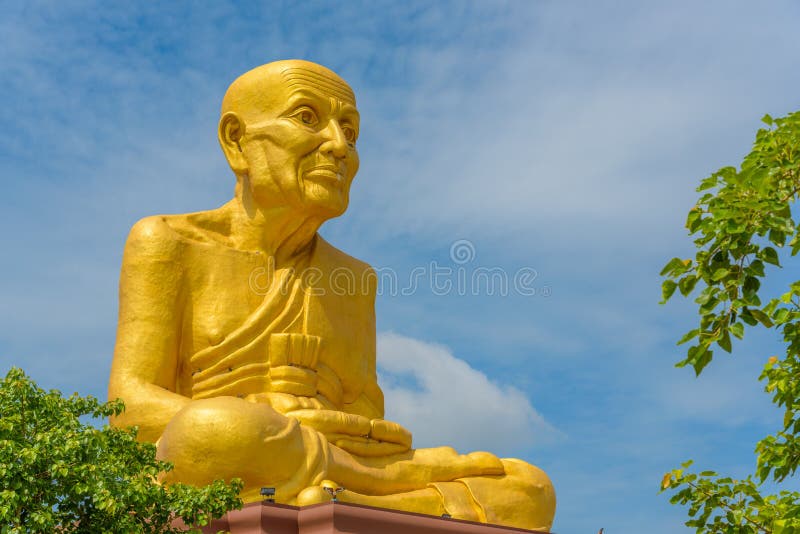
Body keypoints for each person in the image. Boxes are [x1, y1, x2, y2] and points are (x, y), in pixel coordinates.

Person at [108, 59, 555, 531]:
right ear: (236, 141)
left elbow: (362, 412)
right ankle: (367, 493)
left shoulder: (354, 280)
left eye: (351, 132)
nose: (339, 147)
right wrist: (268, 414)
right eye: (307, 118)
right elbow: (129, 407)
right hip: (221, 456)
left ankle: (352, 495)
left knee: (528, 487)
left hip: (329, 458)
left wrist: (350, 430)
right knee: (211, 430)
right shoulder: (168, 242)